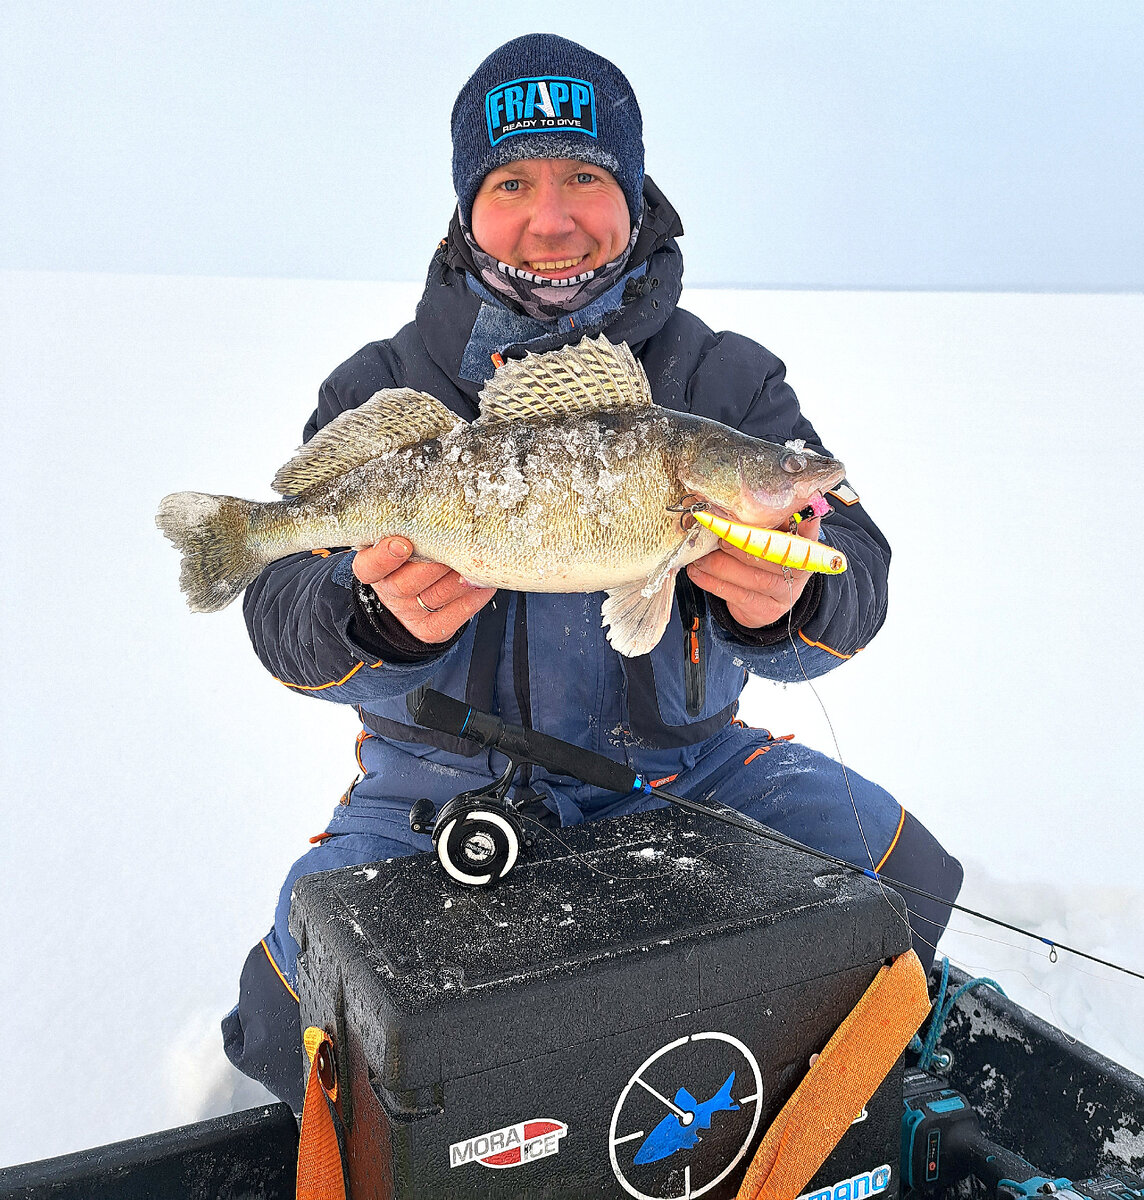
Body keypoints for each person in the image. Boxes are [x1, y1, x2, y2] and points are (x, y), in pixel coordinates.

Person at [222, 34, 963, 1110]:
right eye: (512, 183)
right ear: (467, 208)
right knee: (294, 1007)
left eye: (584, 176)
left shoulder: (725, 382)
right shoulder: (383, 386)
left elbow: (854, 562)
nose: (552, 218)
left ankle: (792, 1094)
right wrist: (370, 618)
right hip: (438, 791)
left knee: (909, 881)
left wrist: (794, 599)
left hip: (689, 772)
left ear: (634, 194)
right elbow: (279, 611)